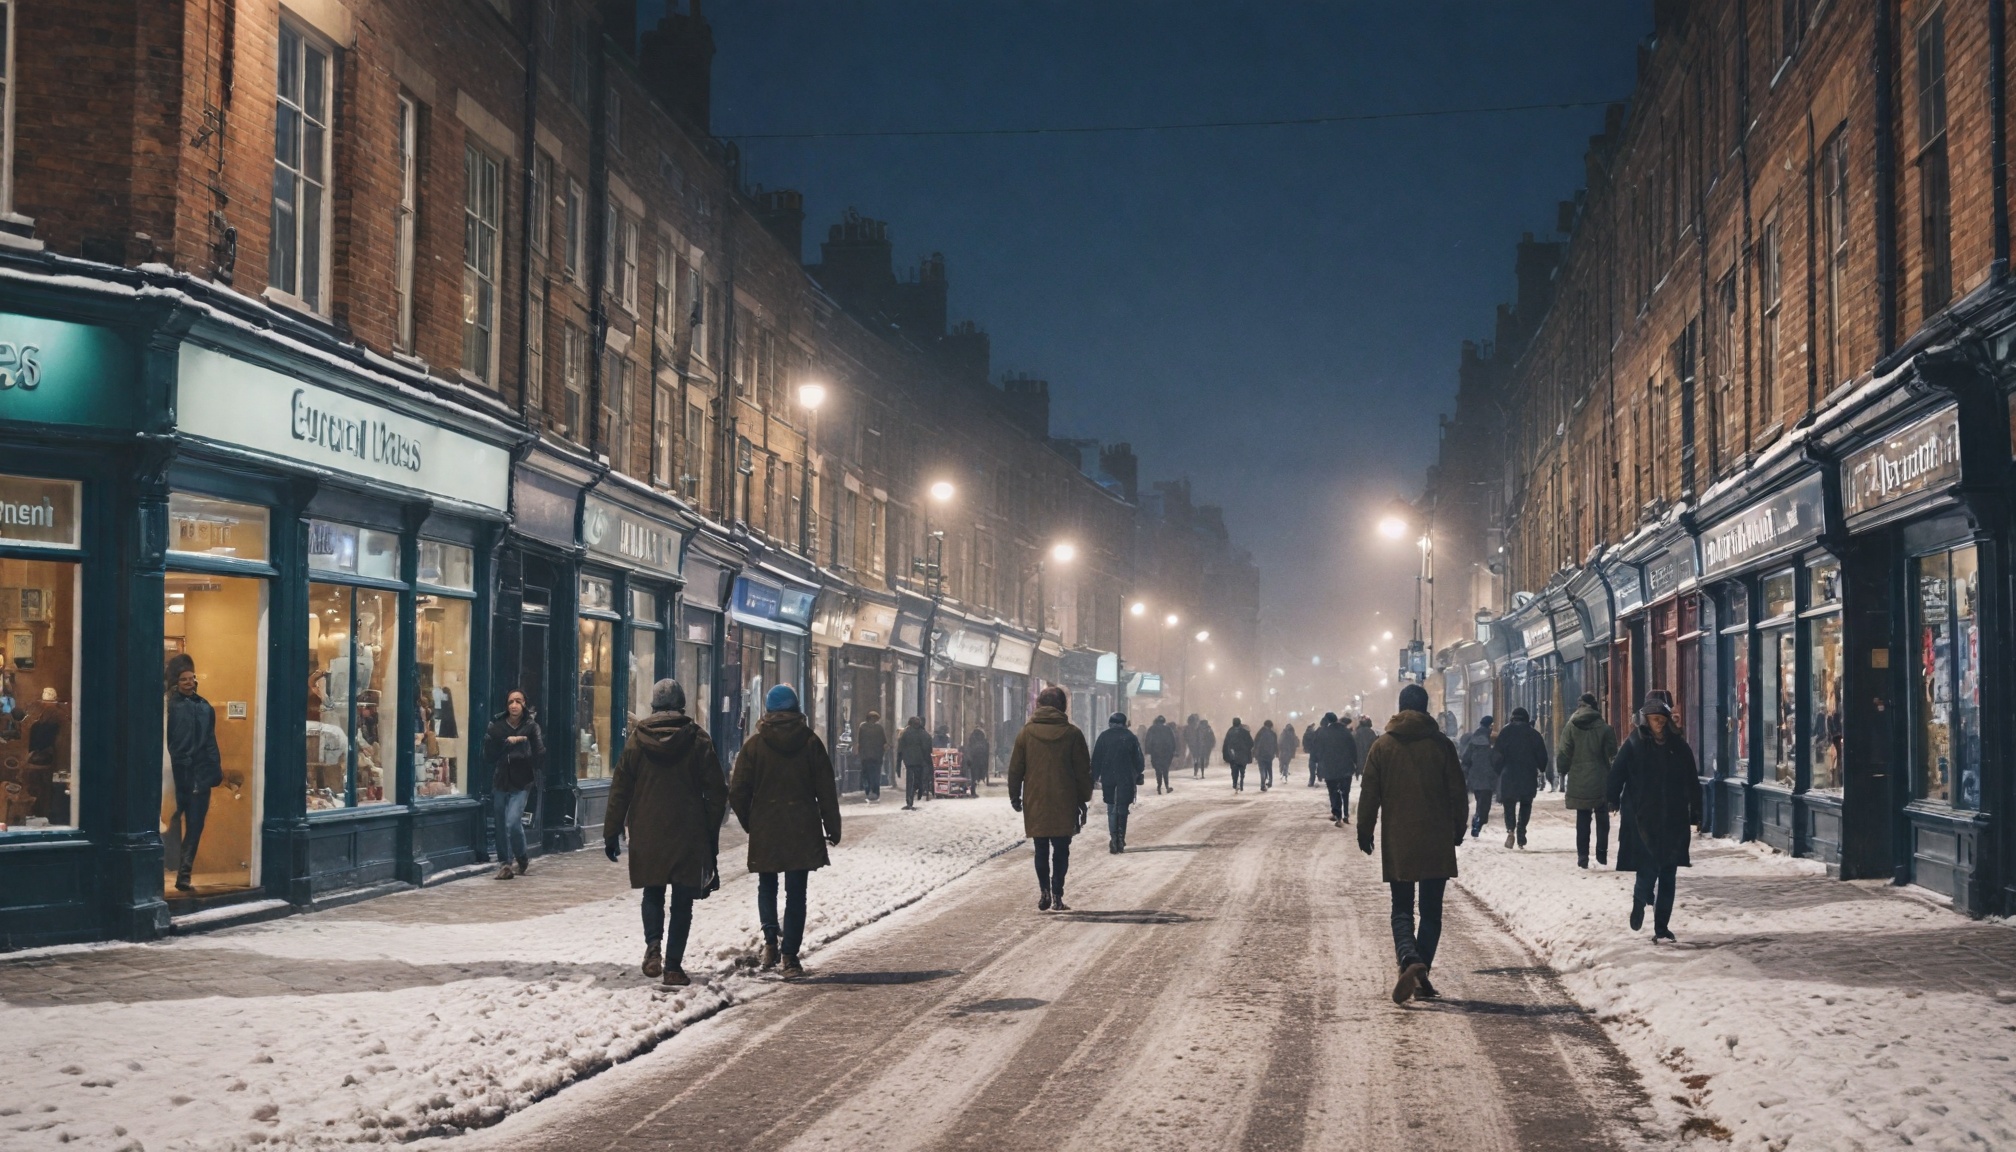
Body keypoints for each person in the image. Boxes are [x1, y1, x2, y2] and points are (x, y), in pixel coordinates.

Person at [604, 679, 725, 987]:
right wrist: (710, 831)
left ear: (653, 706)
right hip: (688, 831)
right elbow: (716, 792)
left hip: (647, 829)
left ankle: (653, 945)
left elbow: (620, 788)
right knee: (683, 901)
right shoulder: (698, 739)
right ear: (682, 706)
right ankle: (672, 967)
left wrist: (612, 830)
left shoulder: (636, 740)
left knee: (653, 891)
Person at [1358, 684, 1467, 1004]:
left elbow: (1369, 793)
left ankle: (1408, 959)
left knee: (1402, 908)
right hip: (1436, 839)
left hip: (1399, 838)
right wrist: (1458, 829)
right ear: (1426, 707)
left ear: (1400, 707)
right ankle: (1421, 970)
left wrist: (1365, 830)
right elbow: (1458, 792)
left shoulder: (1383, 746)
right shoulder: (1442, 745)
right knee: (1432, 912)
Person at [729, 684, 843, 975]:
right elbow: (826, 790)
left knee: (767, 886)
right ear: (796, 709)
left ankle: (770, 942)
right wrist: (832, 826)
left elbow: (738, 791)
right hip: (801, 827)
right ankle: (789, 956)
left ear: (767, 710)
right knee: (796, 893)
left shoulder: (753, 746)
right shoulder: (810, 743)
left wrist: (750, 822)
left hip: (766, 826)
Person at [1607, 695, 1702, 943]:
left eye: (1662, 720)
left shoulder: (1679, 746)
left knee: (1668, 873)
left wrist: (1696, 810)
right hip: (1642, 817)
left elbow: (1692, 779)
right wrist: (1612, 798)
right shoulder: (1634, 743)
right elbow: (1617, 771)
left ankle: (1662, 927)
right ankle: (1640, 901)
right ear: (1645, 721)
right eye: (1654, 720)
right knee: (1647, 869)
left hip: (1673, 817)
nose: (1658, 724)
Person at [1008, 686, 1094, 911]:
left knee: (1041, 848)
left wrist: (1015, 796)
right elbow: (1082, 770)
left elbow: (1016, 768)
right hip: (1064, 799)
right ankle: (1057, 894)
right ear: (1062, 706)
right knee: (1062, 849)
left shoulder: (1025, 734)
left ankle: (1044, 891)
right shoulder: (1072, 734)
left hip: (1035, 799)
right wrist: (1084, 797)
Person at [165, 656, 223, 894]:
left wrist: (214, 771)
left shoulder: (205, 707)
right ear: (176, 682)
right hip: (175, 774)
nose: (190, 683)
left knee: (195, 825)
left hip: (199, 774)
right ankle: (166, 868)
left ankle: (184, 874)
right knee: (171, 821)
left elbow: (211, 742)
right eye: (184, 679)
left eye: (192, 678)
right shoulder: (169, 706)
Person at [483, 689, 546, 880]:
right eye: (511, 701)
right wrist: (500, 742)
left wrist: (524, 740)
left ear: (524, 704)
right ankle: (505, 864)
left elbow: (540, 752)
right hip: (501, 779)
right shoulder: (497, 726)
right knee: (501, 823)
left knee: (512, 821)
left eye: (518, 701)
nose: (514, 705)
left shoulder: (531, 726)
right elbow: (488, 755)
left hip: (522, 780)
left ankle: (522, 857)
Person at [1559, 693, 1620, 868]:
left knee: (1583, 818)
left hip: (1579, 778)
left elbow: (1564, 752)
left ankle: (1582, 857)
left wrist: (1562, 771)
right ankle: (1601, 856)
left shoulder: (1570, 727)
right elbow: (1612, 753)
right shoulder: (1605, 729)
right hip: (1601, 779)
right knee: (1602, 818)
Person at [1493, 707, 1547, 850]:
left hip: (1509, 775)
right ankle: (1521, 831)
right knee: (1526, 804)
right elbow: (1542, 756)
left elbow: (1496, 756)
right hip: (1527, 775)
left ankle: (1510, 831)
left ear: (1513, 718)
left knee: (1509, 804)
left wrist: (1498, 771)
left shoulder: (1505, 732)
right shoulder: (1534, 734)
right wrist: (1541, 767)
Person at [1090, 712, 1144, 853]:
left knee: (1111, 808)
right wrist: (1138, 772)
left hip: (1108, 777)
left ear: (1110, 723)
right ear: (1124, 723)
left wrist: (1094, 777)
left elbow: (1096, 759)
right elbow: (1139, 760)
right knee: (1123, 809)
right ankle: (1121, 838)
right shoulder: (1130, 737)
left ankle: (1113, 838)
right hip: (1126, 778)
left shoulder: (1103, 737)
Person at [1313, 711, 1360, 825]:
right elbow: (1353, 749)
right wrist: (1355, 764)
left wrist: (1318, 765)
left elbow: (1319, 750)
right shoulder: (1346, 732)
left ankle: (1337, 814)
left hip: (1330, 767)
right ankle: (1345, 814)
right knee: (1345, 792)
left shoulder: (1324, 733)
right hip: (1346, 767)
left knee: (1333, 791)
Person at [1458, 716, 1498, 839]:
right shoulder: (1492, 740)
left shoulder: (1473, 739)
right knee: (1484, 805)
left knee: (1480, 800)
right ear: (1490, 725)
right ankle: (1478, 820)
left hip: (1474, 777)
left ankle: (1477, 819)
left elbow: (1465, 758)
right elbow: (1497, 758)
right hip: (1488, 777)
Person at [897, 715, 932, 810]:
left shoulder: (905, 733)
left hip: (909, 762)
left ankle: (909, 800)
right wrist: (927, 760)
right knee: (918, 779)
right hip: (920, 761)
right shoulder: (923, 734)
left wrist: (898, 763)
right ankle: (918, 791)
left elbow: (900, 749)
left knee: (910, 781)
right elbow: (927, 747)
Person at [855, 711, 888, 803]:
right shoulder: (879, 728)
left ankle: (868, 791)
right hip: (876, 756)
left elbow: (859, 741)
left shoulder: (862, 727)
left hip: (866, 756)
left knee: (867, 775)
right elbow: (884, 741)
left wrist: (860, 752)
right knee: (876, 775)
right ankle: (875, 792)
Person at [1143, 714, 1179, 794]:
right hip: (1167, 753)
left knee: (1158, 770)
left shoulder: (1152, 729)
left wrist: (1147, 751)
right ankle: (1166, 786)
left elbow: (1148, 741)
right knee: (1165, 769)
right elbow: (1173, 741)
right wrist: (1174, 751)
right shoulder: (1168, 729)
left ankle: (1159, 787)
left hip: (1155, 753)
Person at [1221, 718, 1254, 792]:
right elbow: (1251, 743)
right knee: (1242, 769)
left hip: (1233, 754)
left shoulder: (1230, 732)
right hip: (1243, 754)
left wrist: (1225, 754)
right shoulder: (1245, 732)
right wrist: (1247, 749)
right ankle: (1241, 782)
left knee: (1234, 770)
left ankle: (1235, 783)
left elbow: (1226, 743)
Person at [962, 724, 991, 793]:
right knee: (977, 774)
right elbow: (986, 751)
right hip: (981, 759)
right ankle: (975, 784)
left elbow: (969, 748)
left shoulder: (972, 738)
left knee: (973, 774)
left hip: (973, 759)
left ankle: (973, 787)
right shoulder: (984, 739)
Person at [1253, 720, 1278, 792]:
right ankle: (1270, 782)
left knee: (1262, 770)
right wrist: (1276, 753)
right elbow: (1275, 744)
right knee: (1269, 768)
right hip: (1269, 754)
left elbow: (1255, 743)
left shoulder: (1260, 733)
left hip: (1260, 754)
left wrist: (1254, 753)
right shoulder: (1273, 734)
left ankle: (1263, 785)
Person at [1279, 721, 1299, 787]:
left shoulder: (1283, 734)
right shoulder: (1293, 735)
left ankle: (1282, 773)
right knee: (1286, 764)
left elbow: (1280, 741)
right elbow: (1296, 743)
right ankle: (1284, 775)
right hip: (1289, 751)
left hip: (1283, 751)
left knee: (1282, 763)